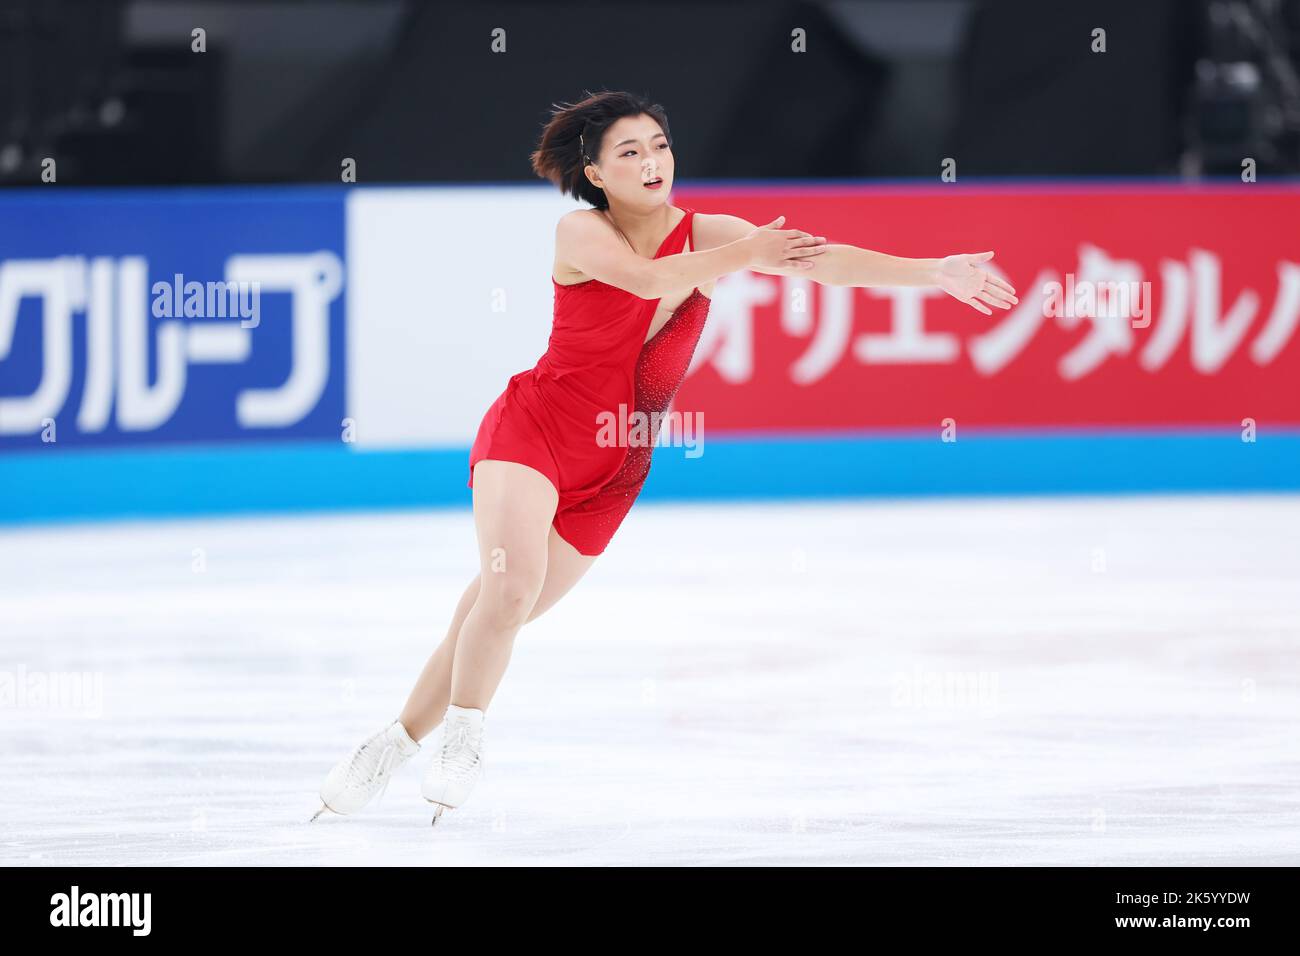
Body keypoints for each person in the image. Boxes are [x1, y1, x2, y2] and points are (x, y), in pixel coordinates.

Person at [312, 90, 1017, 825]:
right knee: (510, 589)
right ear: (595, 172)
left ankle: (391, 745)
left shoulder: (707, 232)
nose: (652, 161)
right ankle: (465, 734)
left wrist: (934, 271)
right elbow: (649, 280)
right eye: (630, 152)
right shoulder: (580, 232)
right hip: (535, 431)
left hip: (616, 468)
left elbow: (827, 264)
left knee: (491, 615)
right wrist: (747, 252)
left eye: (659, 145)